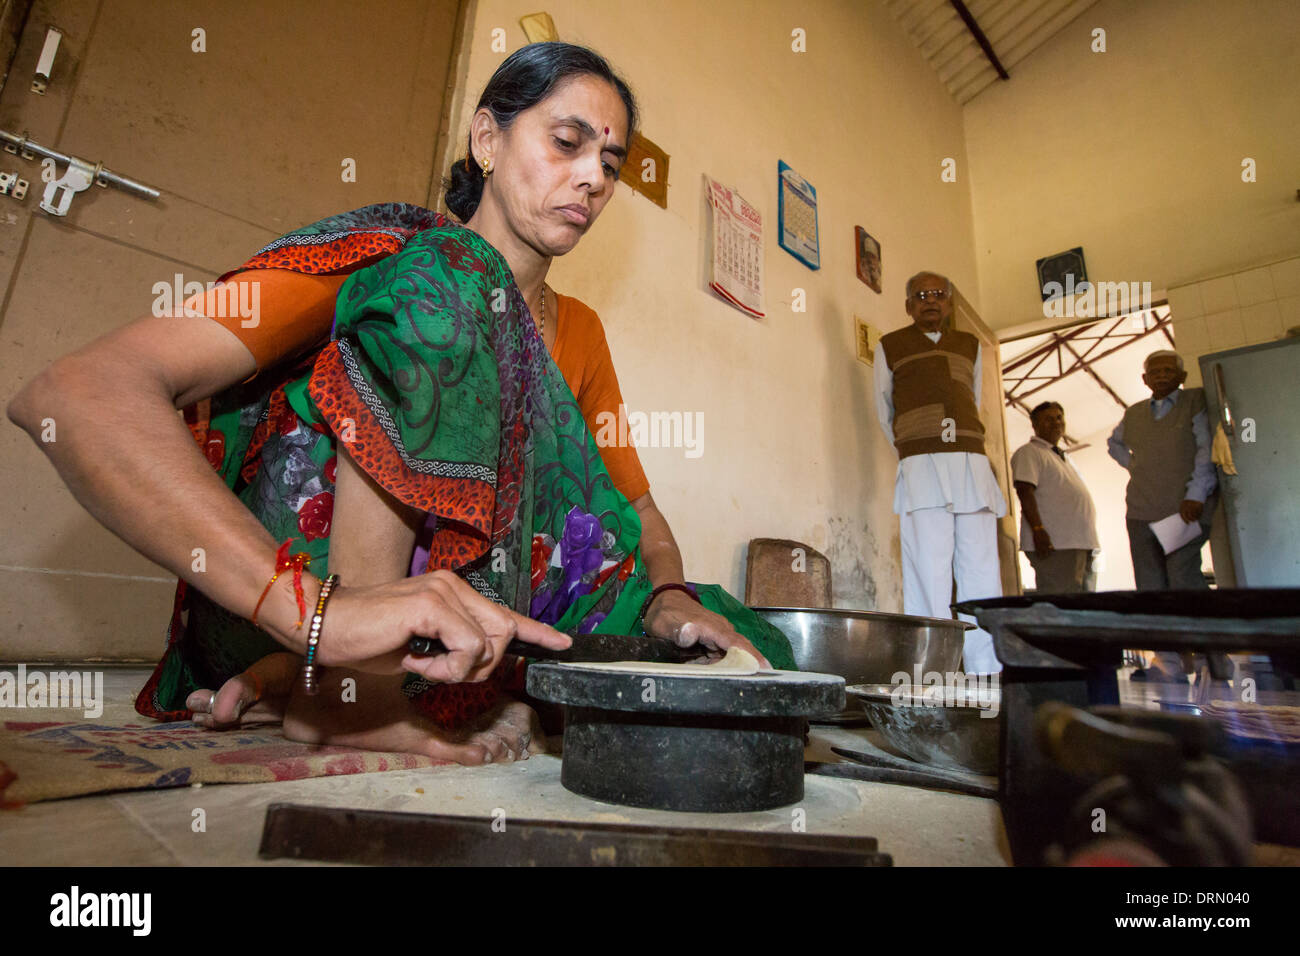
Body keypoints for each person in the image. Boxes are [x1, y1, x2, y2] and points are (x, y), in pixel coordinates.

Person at [7, 42, 793, 765]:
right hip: (290, 591)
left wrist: (664, 598)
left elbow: (640, 517)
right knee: (460, 273)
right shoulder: (408, 268)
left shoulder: (577, 332)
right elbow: (77, 396)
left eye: (610, 162)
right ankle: (351, 690)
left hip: (462, 615)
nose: (592, 176)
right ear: (487, 140)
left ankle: (351, 675)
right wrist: (320, 620)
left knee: (740, 647)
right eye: (567, 141)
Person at [873, 271, 1007, 674]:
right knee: (926, 569)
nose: (930, 301)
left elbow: (975, 396)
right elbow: (884, 410)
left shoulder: (970, 345)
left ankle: (987, 672)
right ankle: (932, 672)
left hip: (971, 462)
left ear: (949, 303)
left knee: (981, 569)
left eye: (938, 294)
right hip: (920, 466)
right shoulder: (889, 345)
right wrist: (914, 443)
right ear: (909, 305)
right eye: (920, 295)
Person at [1107, 349, 1217, 680]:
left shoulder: (1194, 402)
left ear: (1182, 377)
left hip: (1184, 506)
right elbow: (1114, 444)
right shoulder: (1135, 412)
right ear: (1145, 379)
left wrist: (1196, 493)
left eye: (1170, 370)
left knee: (1184, 579)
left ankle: (1209, 653)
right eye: (1155, 372)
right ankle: (1168, 663)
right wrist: (1137, 467)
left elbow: (1206, 449)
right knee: (1151, 587)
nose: (1162, 376)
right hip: (1141, 509)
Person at [1011, 402, 1099, 594]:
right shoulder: (1030, 452)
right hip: (1056, 544)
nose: (1056, 423)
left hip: (1080, 542)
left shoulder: (1061, 456)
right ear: (1035, 425)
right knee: (1061, 602)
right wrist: (1038, 530)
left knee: (1084, 605)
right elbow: (1025, 492)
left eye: (1059, 417)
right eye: (1048, 419)